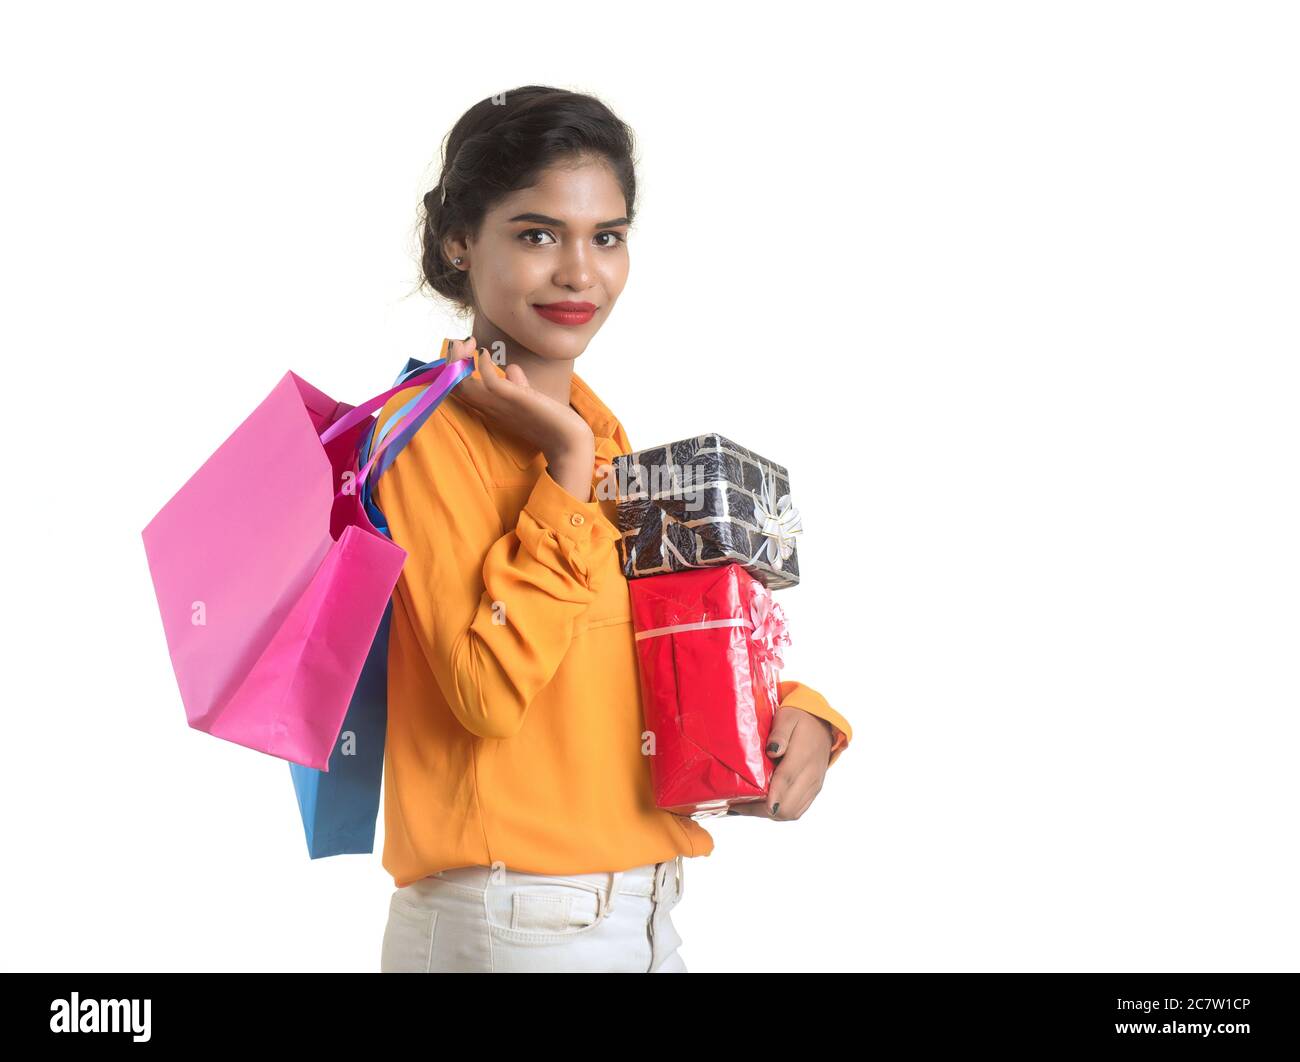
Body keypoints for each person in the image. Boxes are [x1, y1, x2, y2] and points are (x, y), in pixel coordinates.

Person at [372, 85, 852, 973]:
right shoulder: (421, 440)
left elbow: (640, 665)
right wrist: (559, 462)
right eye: (536, 233)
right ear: (459, 242)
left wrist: (804, 717)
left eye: (608, 236)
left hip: (638, 909)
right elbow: (484, 693)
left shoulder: (603, 441)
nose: (579, 272)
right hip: (514, 919)